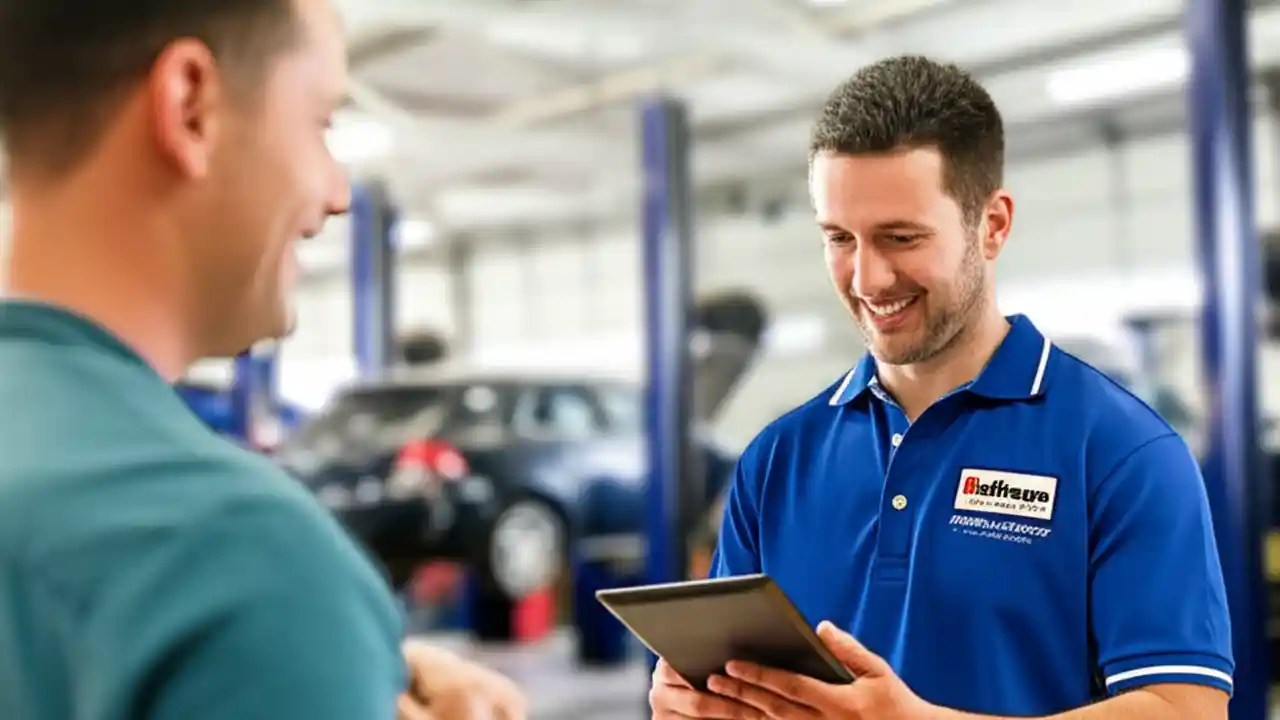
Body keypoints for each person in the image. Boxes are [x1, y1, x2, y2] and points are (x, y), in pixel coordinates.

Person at [649, 55, 1232, 719]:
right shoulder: (778, 459)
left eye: (901, 238)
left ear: (993, 225)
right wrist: (701, 705)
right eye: (839, 238)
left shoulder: (1123, 453)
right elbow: (745, 682)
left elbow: (1185, 708)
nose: (867, 278)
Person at [0, 1, 526, 719]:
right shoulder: (233, 560)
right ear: (191, 107)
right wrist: (292, 642)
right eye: (318, 123)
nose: (337, 194)